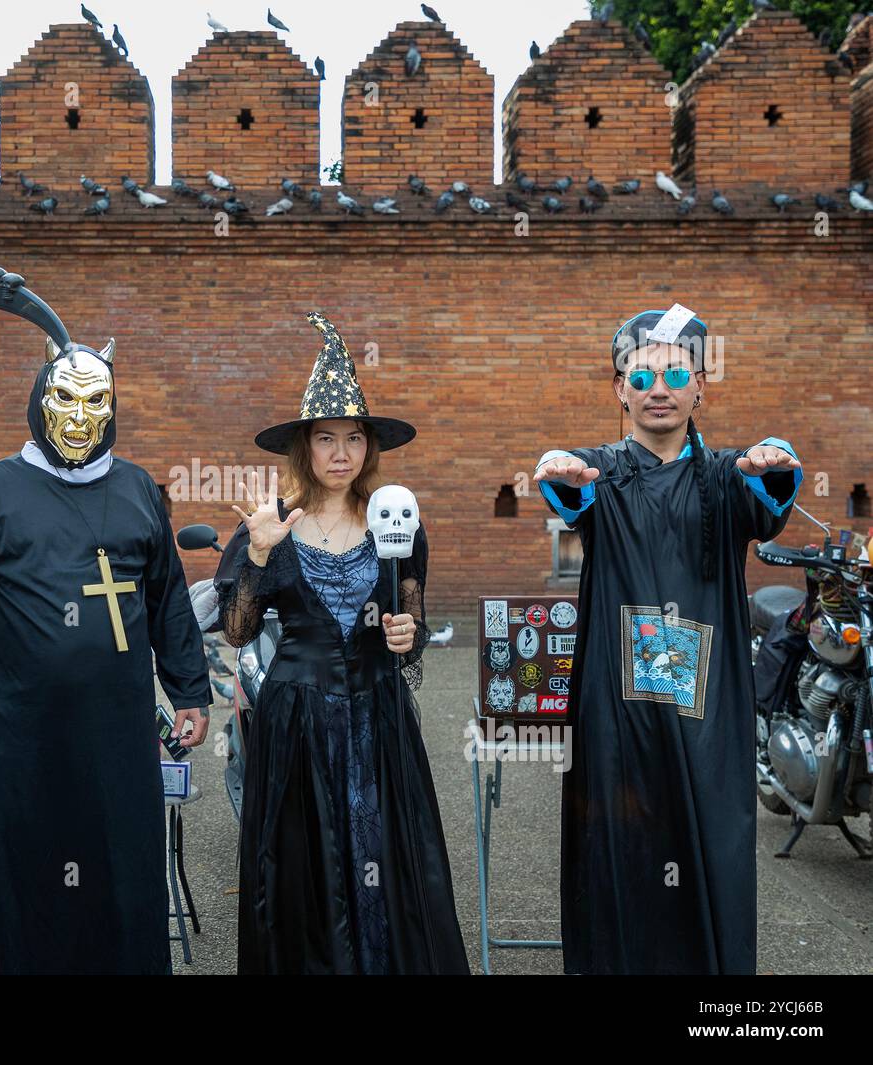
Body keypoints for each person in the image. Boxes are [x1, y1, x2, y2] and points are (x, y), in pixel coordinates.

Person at [0, 334, 211, 975]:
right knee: (32, 871)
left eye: (95, 403)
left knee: (123, 872)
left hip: (119, 732)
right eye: (66, 400)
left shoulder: (136, 489)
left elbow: (167, 598)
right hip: (25, 733)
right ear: (41, 399)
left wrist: (190, 689)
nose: (79, 418)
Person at [534, 304, 803, 975]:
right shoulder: (600, 473)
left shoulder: (726, 476)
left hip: (707, 714)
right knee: (619, 857)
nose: (660, 387)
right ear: (620, 388)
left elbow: (770, 498)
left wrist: (777, 457)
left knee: (708, 849)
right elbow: (565, 487)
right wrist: (554, 467)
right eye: (643, 373)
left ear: (700, 387)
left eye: (676, 373)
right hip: (617, 717)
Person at [214, 311, 469, 974]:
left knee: (385, 859)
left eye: (353, 438)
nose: (339, 453)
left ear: (369, 447)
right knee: (302, 870)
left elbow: (408, 637)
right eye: (325, 438)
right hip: (294, 725)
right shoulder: (270, 522)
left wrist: (405, 636)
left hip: (377, 720)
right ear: (305, 445)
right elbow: (237, 631)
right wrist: (261, 556)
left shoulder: (397, 521)